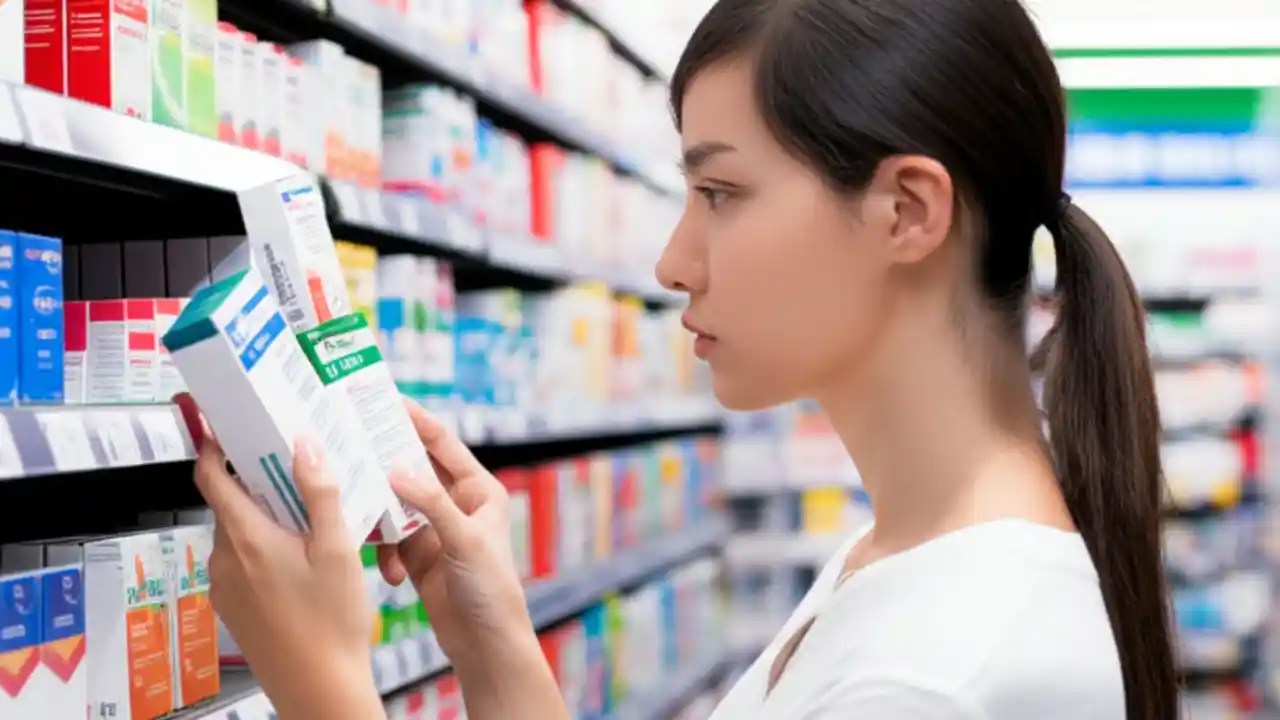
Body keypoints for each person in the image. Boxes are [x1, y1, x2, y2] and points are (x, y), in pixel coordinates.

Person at [191, 0, 1178, 718]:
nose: (671, 263)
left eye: (718, 193)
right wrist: (487, 641)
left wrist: (322, 686)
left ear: (906, 212)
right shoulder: (903, 564)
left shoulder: (937, 675)